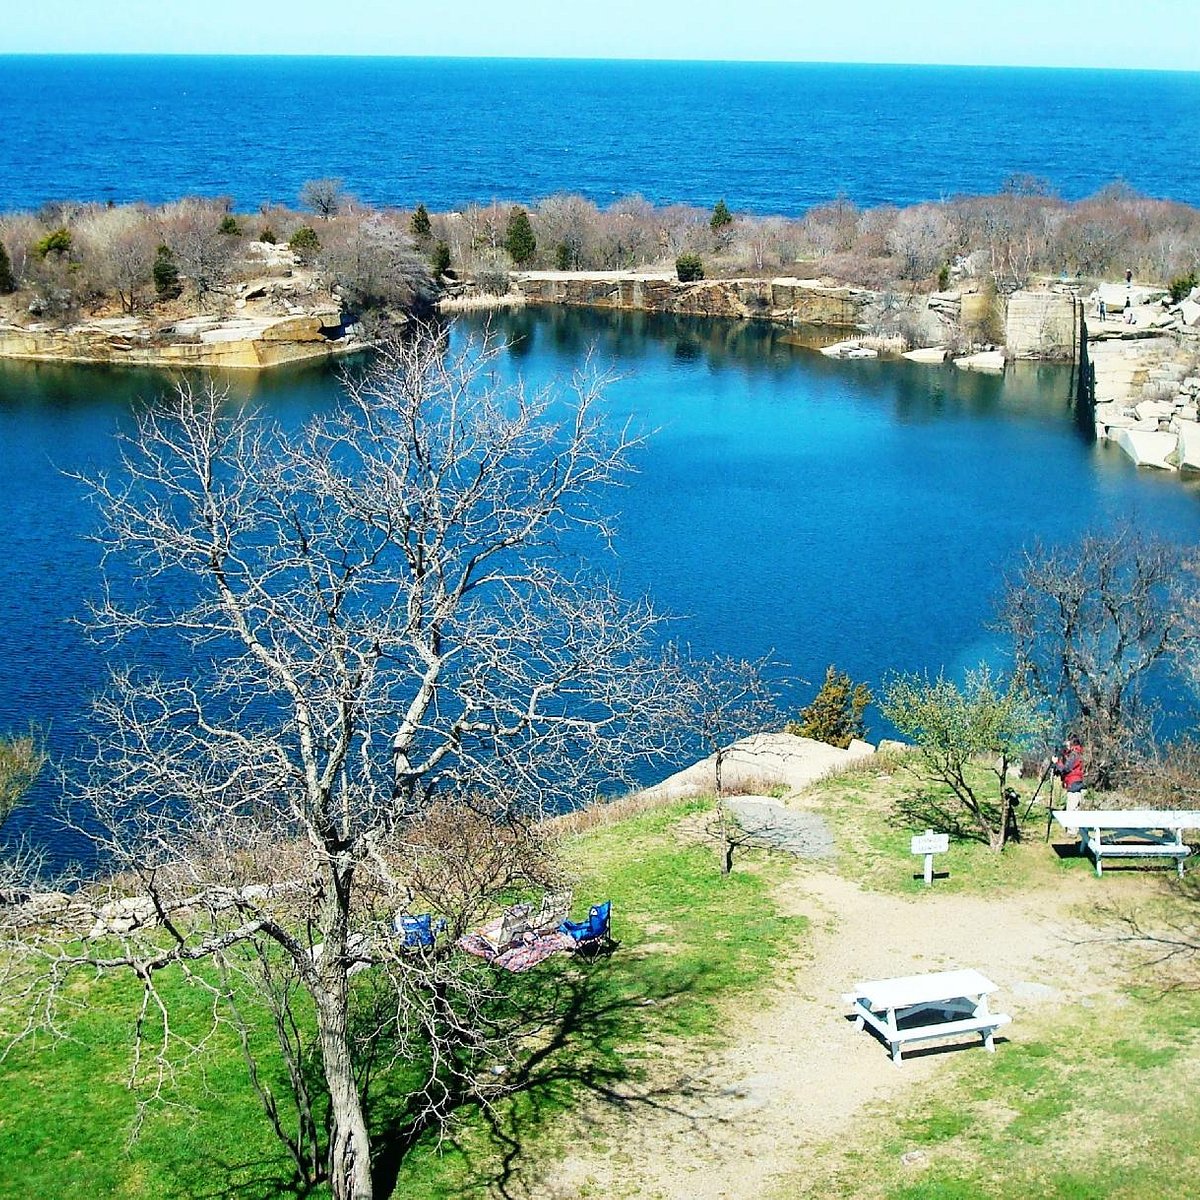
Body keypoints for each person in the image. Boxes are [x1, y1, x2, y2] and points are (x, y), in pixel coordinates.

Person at [1051, 734, 1085, 810]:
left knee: (1071, 809)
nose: (1066, 744)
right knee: (1074, 808)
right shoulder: (1076, 753)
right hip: (1075, 783)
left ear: (1072, 743)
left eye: (1068, 742)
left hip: (1073, 784)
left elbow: (1066, 769)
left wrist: (1056, 763)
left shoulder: (1074, 754)